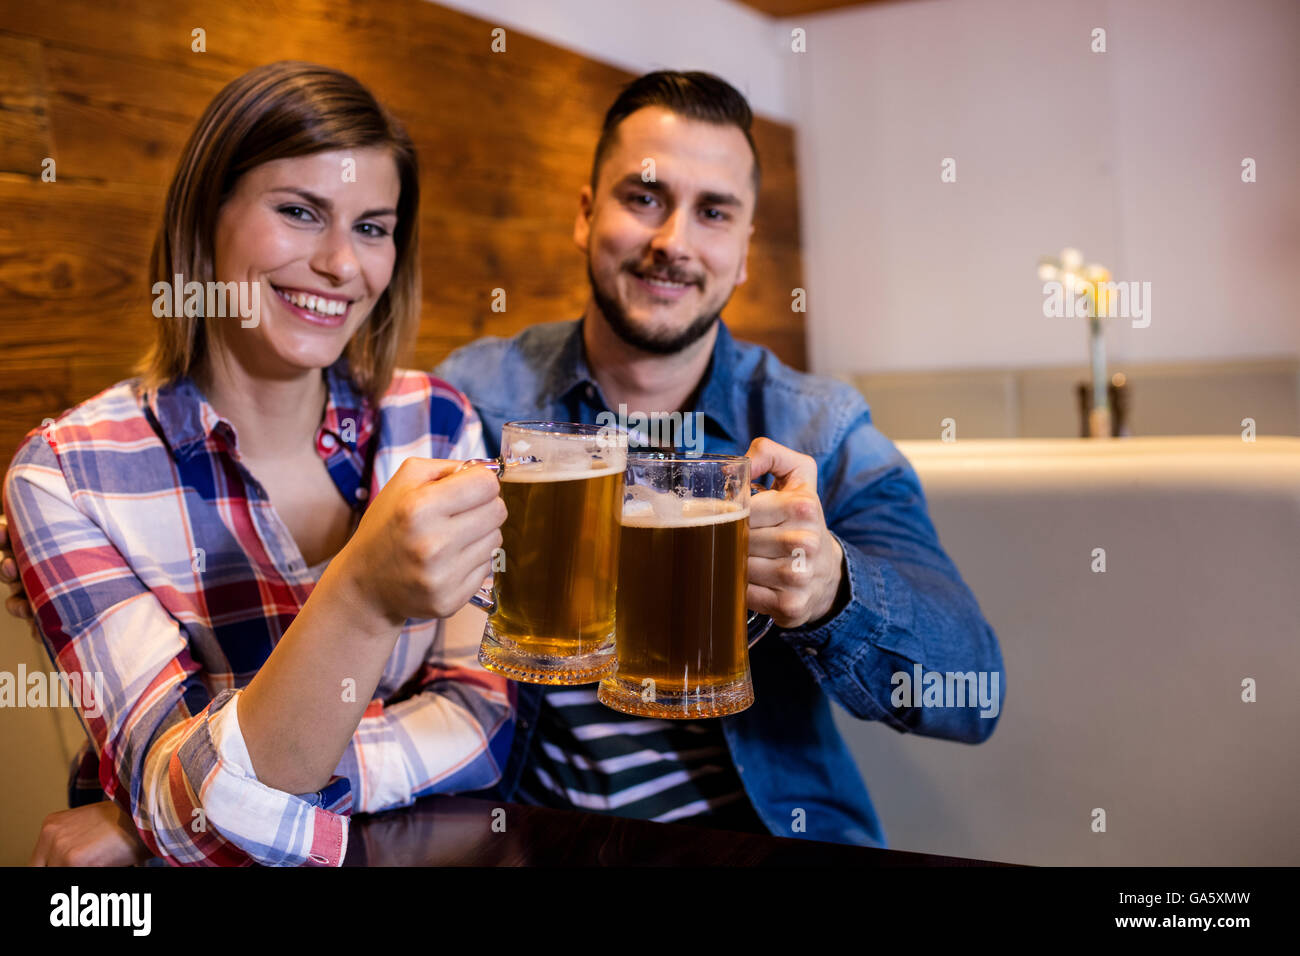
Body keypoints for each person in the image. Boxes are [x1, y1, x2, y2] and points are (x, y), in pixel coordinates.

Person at [430, 71, 1006, 846]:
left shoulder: (817, 427)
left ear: (742, 253)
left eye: (713, 213)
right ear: (584, 214)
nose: (673, 242)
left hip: (761, 840)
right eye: (643, 198)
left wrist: (836, 591)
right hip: (535, 836)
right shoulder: (476, 394)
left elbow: (973, 694)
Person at [0, 61, 510, 866]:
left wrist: (211, 794)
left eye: (373, 227)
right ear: (207, 218)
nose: (343, 264)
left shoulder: (435, 420)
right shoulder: (66, 474)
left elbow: (482, 714)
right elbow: (179, 804)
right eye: (301, 212)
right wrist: (362, 596)